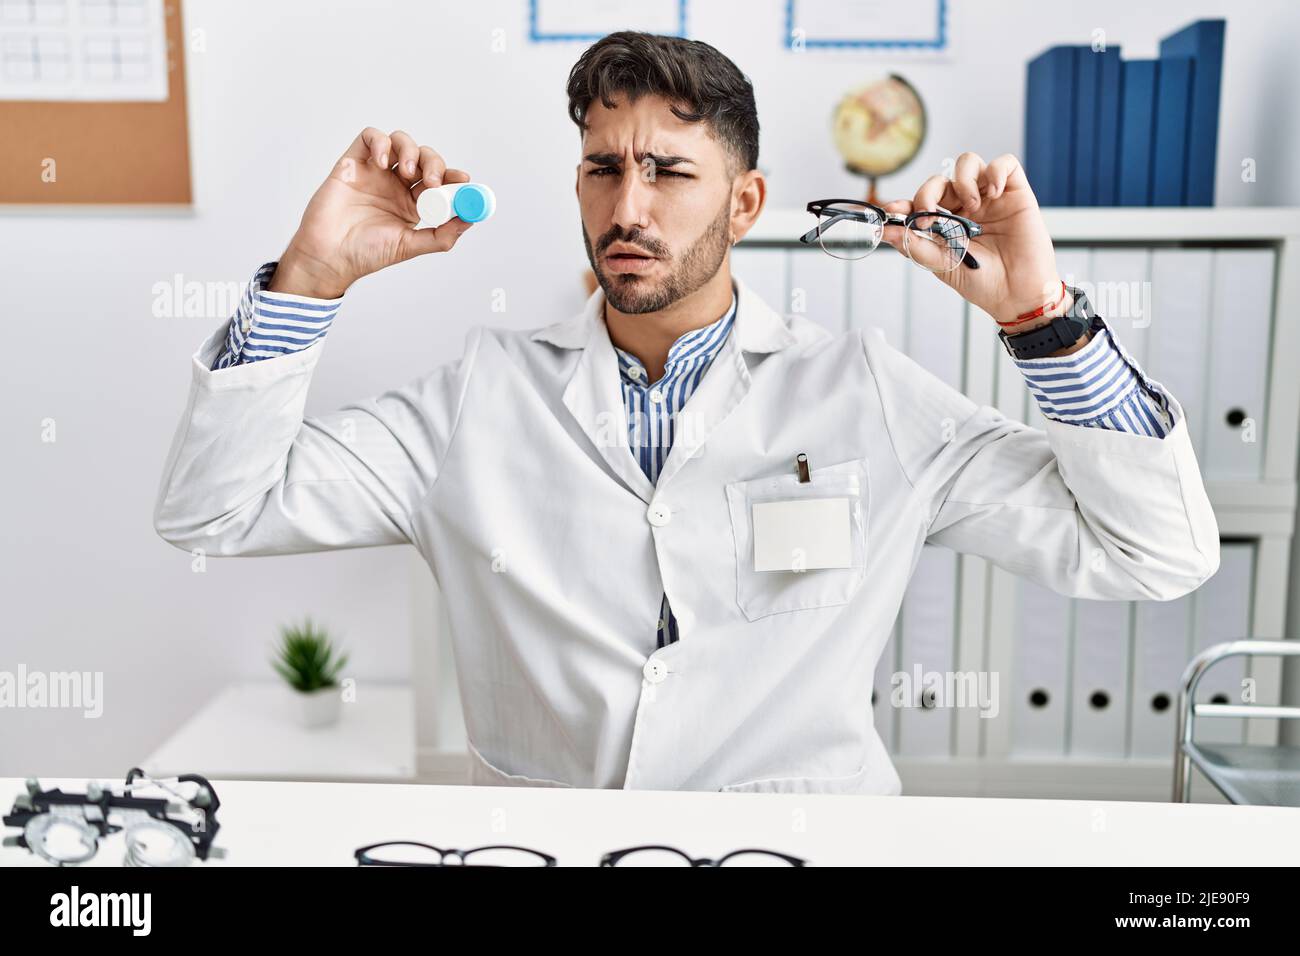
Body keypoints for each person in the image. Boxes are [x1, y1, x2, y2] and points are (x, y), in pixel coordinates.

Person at [154, 32, 1218, 794]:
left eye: (669, 171)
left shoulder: (865, 392)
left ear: (743, 203)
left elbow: (1155, 553)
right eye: (603, 169)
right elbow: (213, 513)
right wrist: (308, 279)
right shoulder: (475, 398)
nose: (628, 208)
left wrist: (1042, 320)